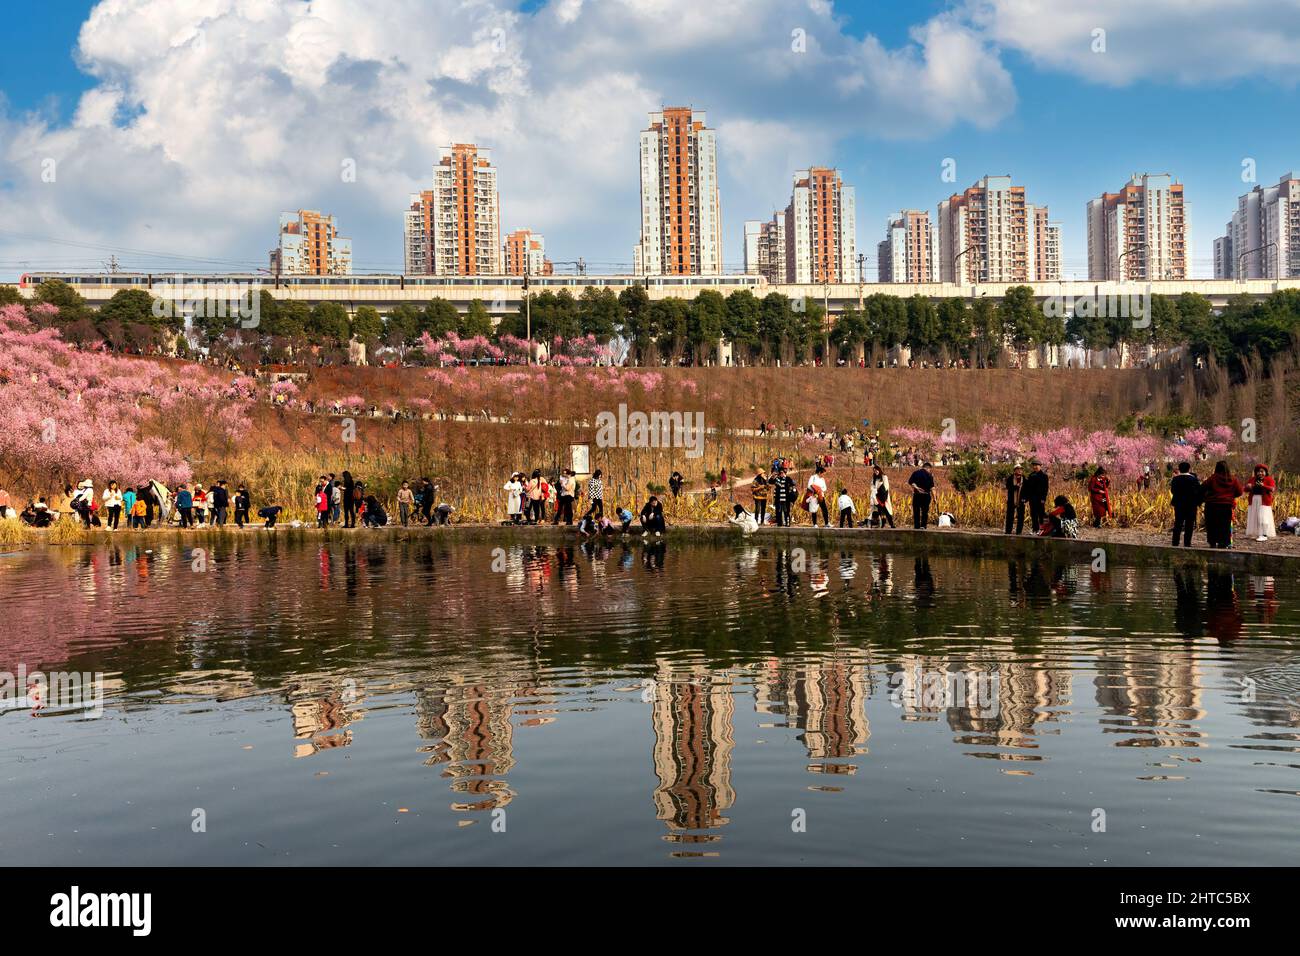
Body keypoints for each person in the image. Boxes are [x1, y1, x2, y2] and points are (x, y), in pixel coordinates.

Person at [1201, 460, 1243, 549]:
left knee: (1212, 524)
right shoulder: (1233, 479)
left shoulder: (1213, 478)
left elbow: (1203, 487)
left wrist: (1206, 496)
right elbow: (1240, 492)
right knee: (1224, 525)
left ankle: (1212, 542)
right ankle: (1223, 543)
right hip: (1226, 505)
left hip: (1212, 505)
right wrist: (1231, 496)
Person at [1169, 461, 1201, 547]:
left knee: (1178, 523)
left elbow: (1172, 491)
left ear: (1179, 469)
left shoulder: (1175, 479)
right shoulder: (1193, 479)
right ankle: (1187, 543)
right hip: (1191, 504)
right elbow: (1198, 491)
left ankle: (1175, 542)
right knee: (1189, 524)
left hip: (1179, 504)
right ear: (1189, 469)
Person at [1245, 464, 1276, 541]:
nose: (1260, 473)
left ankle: (1264, 535)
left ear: (1265, 472)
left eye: (1262, 471)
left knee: (1263, 518)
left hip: (1264, 501)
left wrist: (1263, 486)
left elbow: (1272, 489)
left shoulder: (1269, 479)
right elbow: (1245, 489)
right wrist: (1247, 487)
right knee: (1255, 517)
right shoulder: (1253, 479)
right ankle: (1257, 533)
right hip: (1254, 500)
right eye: (1258, 471)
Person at [1022, 460, 1048, 532]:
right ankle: (1035, 529)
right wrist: (1026, 498)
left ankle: (1042, 529)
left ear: (1040, 466)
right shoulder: (1031, 475)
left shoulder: (1044, 476)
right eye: (1034, 465)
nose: (1035, 467)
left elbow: (1046, 488)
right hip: (1032, 498)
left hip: (1040, 498)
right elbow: (1027, 488)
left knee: (1041, 514)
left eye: (1037, 465)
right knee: (1033, 514)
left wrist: (1043, 498)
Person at [907, 463, 934, 529]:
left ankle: (916, 526)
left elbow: (911, 482)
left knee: (916, 511)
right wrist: (934, 498)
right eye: (930, 469)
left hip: (917, 495)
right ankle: (923, 526)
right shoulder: (929, 475)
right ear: (928, 468)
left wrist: (917, 488)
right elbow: (932, 488)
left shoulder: (915, 473)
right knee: (925, 511)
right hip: (926, 495)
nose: (929, 471)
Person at [1004, 465, 1027, 534]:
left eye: (1020, 469)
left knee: (1021, 517)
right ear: (1014, 471)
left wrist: (1025, 499)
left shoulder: (1025, 480)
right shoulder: (1010, 478)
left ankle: (1019, 532)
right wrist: (1016, 487)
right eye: (1017, 469)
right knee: (1009, 516)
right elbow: (1008, 487)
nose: (1019, 471)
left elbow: (1027, 490)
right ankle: (1008, 531)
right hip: (1011, 501)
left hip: (1021, 501)